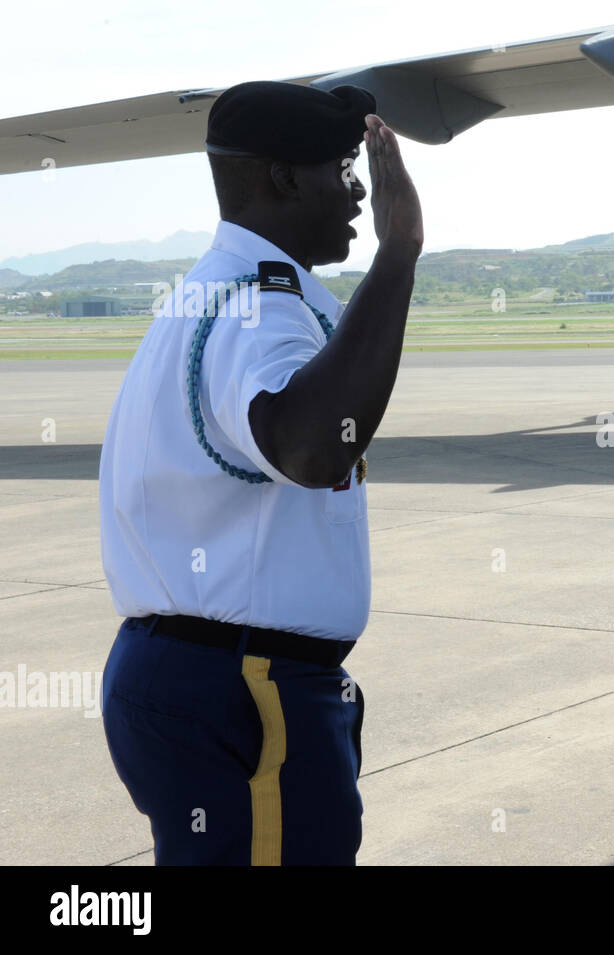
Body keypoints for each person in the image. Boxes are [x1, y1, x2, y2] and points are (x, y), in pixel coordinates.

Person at [98, 81, 424, 865]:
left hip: (213, 671)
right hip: (246, 682)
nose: (357, 191)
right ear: (281, 178)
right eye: (342, 168)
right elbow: (313, 446)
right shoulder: (254, 306)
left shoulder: (216, 293)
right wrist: (400, 252)